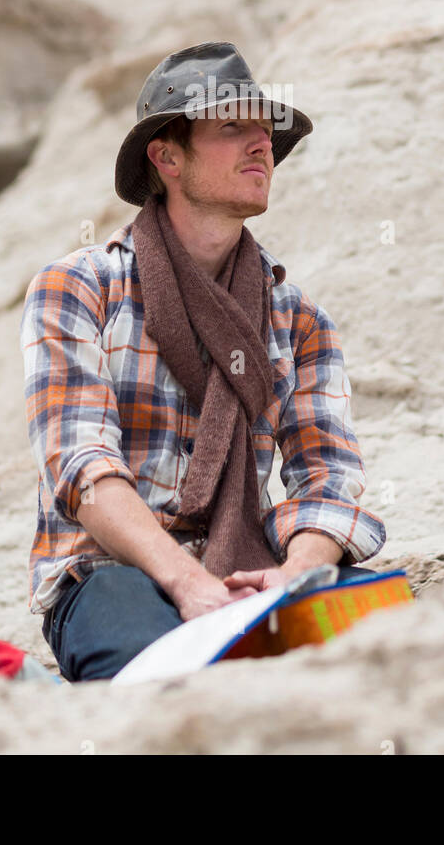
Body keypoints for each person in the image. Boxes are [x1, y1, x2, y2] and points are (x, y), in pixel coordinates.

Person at [21, 41, 386, 680]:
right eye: (231, 127)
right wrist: (190, 583)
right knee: (164, 677)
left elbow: (329, 474)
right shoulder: (80, 287)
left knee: (391, 644)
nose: (261, 145)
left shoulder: (298, 318)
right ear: (166, 156)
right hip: (112, 572)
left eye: (264, 130)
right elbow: (82, 468)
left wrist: (294, 575)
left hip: (252, 563)